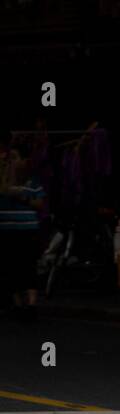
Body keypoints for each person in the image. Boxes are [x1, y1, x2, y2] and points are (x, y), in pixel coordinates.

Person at [0, 135, 46, 321]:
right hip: (6, 229)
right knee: (10, 267)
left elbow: (40, 204)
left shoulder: (31, 180)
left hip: (27, 230)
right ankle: (18, 304)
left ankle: (31, 304)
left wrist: (22, 197)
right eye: (8, 158)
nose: (11, 161)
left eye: (14, 158)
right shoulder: (2, 180)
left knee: (28, 266)